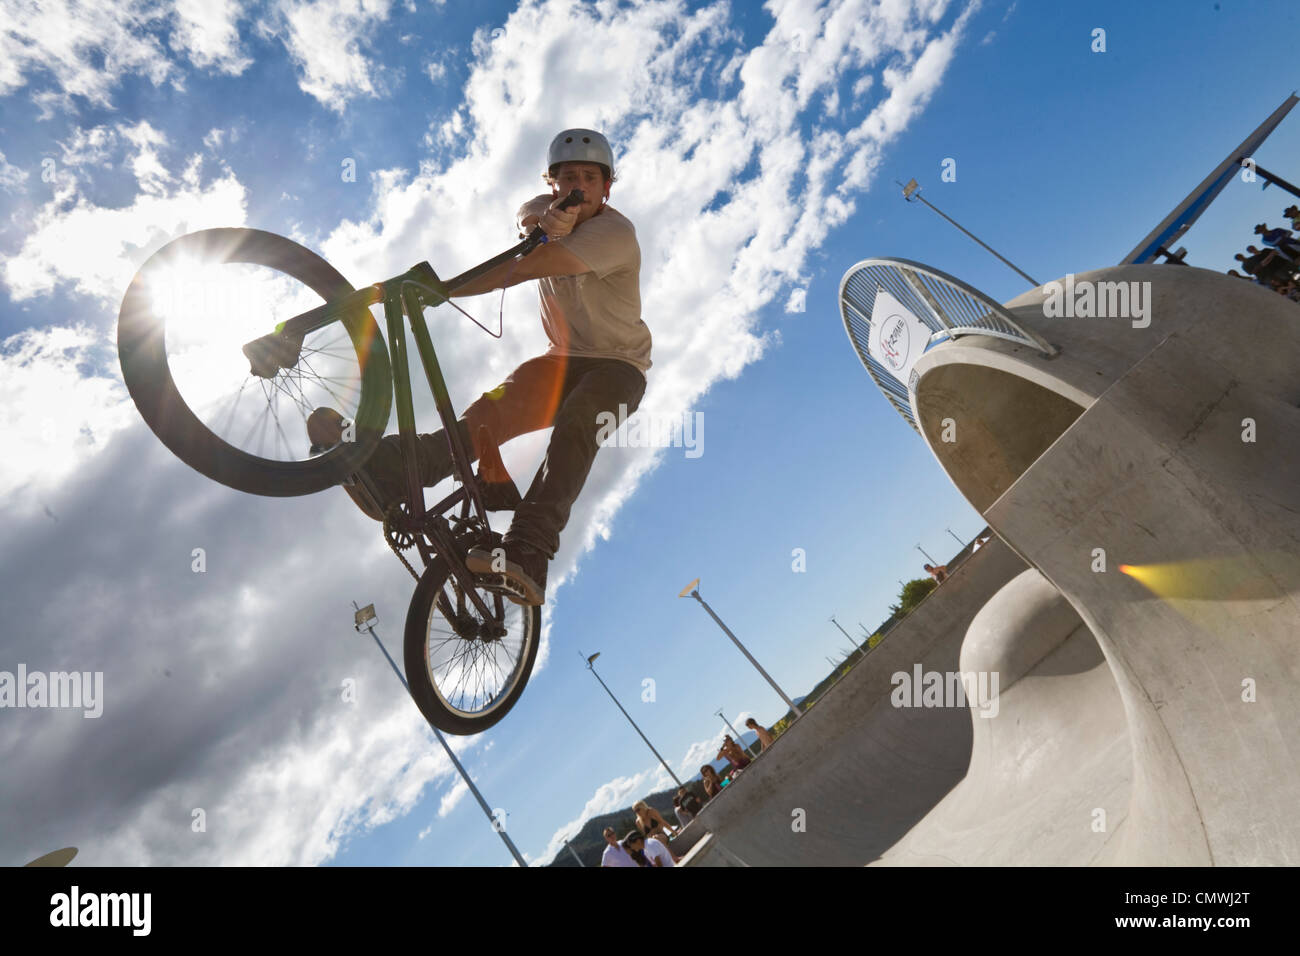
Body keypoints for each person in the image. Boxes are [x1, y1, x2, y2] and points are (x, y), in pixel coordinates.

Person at [307, 128, 651, 607]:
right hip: (561, 361)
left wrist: (445, 290)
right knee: (487, 416)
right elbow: (526, 212)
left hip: (620, 369)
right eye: (567, 176)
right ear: (553, 184)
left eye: (590, 178)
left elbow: (533, 264)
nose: (579, 185)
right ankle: (395, 467)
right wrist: (541, 218)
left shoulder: (616, 233)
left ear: (607, 187)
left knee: (579, 422)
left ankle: (529, 549)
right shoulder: (547, 207)